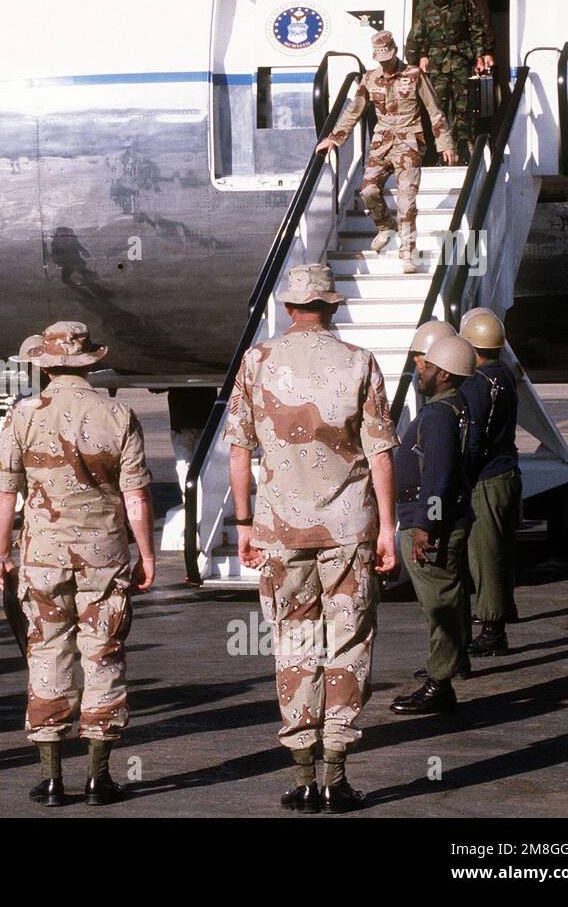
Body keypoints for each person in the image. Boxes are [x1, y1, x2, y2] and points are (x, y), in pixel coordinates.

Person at [225, 265, 398, 814]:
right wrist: (388, 527)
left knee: (295, 644)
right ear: (331, 307)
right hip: (348, 526)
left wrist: (245, 523)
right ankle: (337, 777)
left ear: (288, 308)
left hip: (280, 527)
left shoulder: (257, 362)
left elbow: (239, 451)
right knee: (347, 645)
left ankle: (302, 777)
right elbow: (379, 453)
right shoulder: (359, 362)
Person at [0, 321, 155, 807]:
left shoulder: (22, 416)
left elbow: (4, 495)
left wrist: (1, 554)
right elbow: (137, 497)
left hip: (42, 558)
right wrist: (146, 554)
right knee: (103, 656)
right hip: (105, 558)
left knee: (47, 654)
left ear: (44, 362)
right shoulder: (118, 414)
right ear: (90, 362)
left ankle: (52, 778)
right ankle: (98, 777)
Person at [316, 29, 457, 272]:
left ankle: (408, 253)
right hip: (381, 145)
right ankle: (385, 227)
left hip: (409, 144)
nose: (385, 63)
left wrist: (445, 143)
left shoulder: (414, 75)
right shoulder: (370, 78)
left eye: (388, 57)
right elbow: (354, 111)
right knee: (368, 191)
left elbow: (434, 110)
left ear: (395, 52)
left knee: (406, 202)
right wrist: (334, 138)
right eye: (380, 59)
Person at [391, 335, 478, 715]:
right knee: (449, 596)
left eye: (424, 366)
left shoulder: (439, 415)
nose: (418, 371)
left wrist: (426, 525)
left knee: (439, 602)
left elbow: (438, 476)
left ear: (442, 374)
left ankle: (439, 684)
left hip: (431, 521)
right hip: (445, 516)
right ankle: (450, 664)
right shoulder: (456, 406)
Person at [459, 309, 520, 654]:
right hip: (507, 472)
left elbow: (474, 438)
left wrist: (459, 477)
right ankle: (500, 616)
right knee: (499, 552)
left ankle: (493, 631)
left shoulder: (478, 382)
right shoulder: (505, 375)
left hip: (486, 479)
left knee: (485, 557)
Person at [406, 0, 494, 162]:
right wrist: (417, 59)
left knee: (465, 104)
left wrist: (483, 54)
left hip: (461, 58)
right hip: (437, 61)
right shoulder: (425, 3)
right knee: (438, 105)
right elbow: (419, 33)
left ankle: (466, 146)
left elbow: (478, 27)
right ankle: (442, 150)